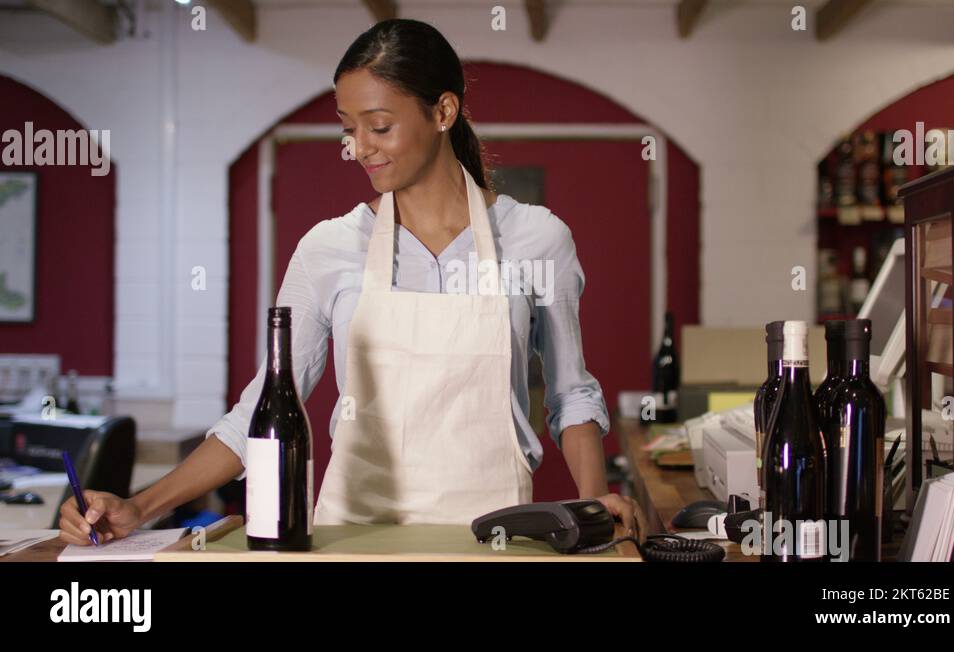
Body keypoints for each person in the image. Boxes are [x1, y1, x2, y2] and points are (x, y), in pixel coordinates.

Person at [58, 18, 645, 546]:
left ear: (443, 112)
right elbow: (256, 414)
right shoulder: (328, 249)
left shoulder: (537, 238)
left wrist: (594, 508)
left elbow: (571, 395)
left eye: (380, 126)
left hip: (495, 539)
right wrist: (140, 505)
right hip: (354, 539)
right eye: (349, 128)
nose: (358, 148)